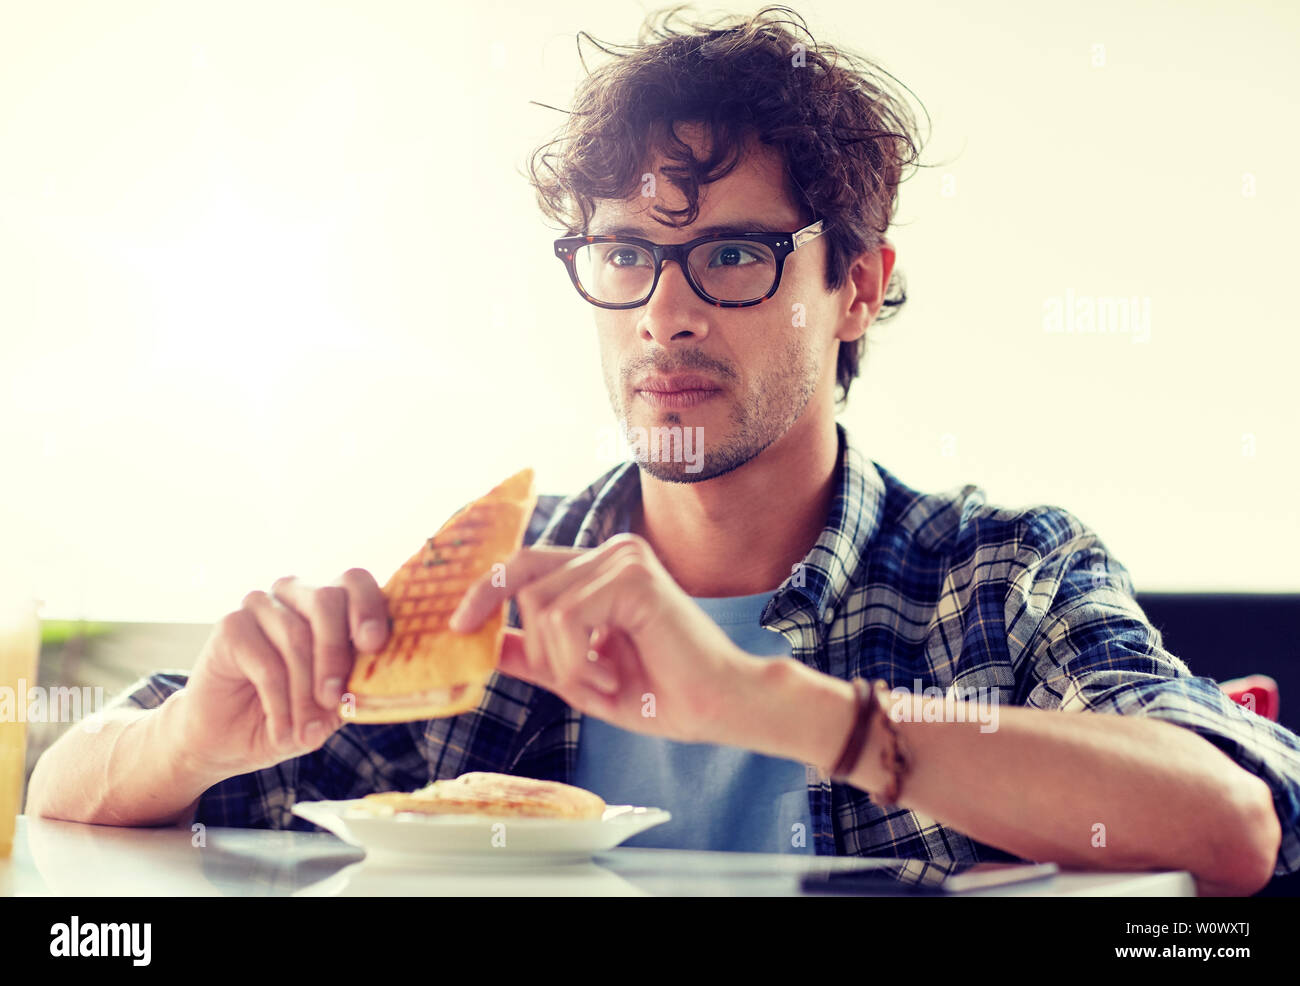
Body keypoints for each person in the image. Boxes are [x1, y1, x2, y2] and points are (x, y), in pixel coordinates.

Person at [26, 5, 1300, 896]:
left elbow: (1233, 820)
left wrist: (772, 704)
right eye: (625, 255)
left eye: (733, 255)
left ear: (857, 285)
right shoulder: (493, 608)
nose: (664, 311)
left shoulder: (996, 581)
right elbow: (70, 790)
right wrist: (198, 732)